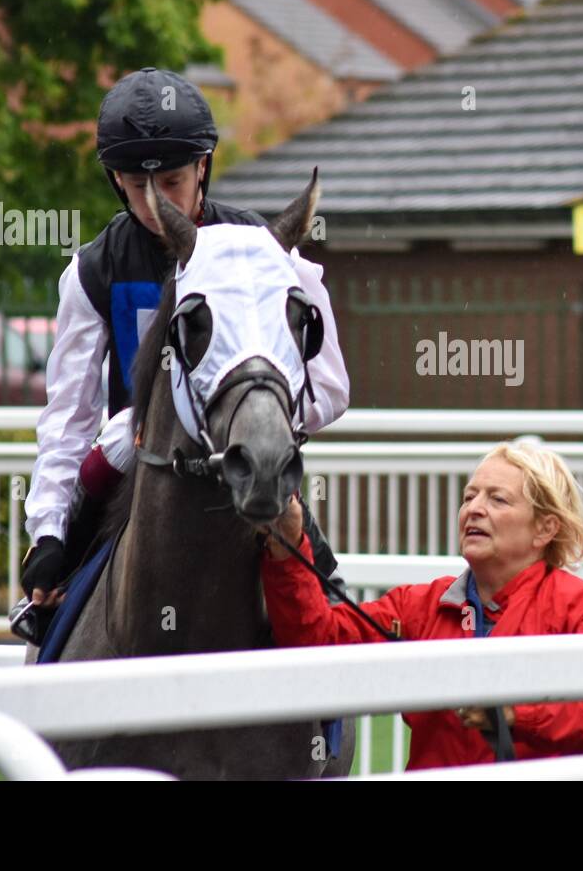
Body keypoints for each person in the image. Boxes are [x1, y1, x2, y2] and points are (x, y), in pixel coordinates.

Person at [20, 67, 349, 609]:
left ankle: (334, 607)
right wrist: (49, 530)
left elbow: (330, 387)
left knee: (326, 600)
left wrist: (246, 419)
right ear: (116, 181)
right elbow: (68, 419)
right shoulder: (94, 271)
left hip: (248, 463)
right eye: (139, 187)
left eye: (172, 182)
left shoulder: (265, 252)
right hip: (137, 471)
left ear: (203, 167)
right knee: (111, 452)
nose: (159, 203)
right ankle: (54, 602)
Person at [257, 440, 583, 770]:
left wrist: (516, 714)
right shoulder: (417, 606)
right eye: (469, 496)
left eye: (498, 499)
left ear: (545, 528)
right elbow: (318, 643)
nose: (474, 509)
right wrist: (287, 549)